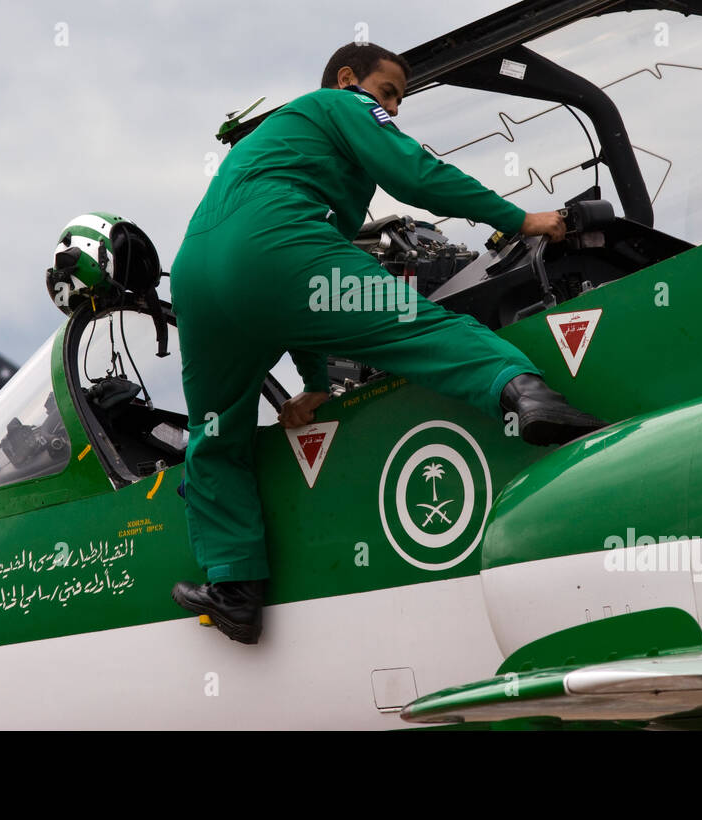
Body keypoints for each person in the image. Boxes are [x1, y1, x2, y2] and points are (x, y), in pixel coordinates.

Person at [169, 43, 604, 644]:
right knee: (417, 327)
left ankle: (235, 590)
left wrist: (316, 385)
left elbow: (290, 298)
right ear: (350, 78)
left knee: (214, 436)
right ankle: (525, 394)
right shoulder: (338, 103)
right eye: (390, 92)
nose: (394, 109)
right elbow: (413, 175)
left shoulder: (271, 146)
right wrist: (516, 218)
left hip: (195, 276)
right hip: (275, 247)